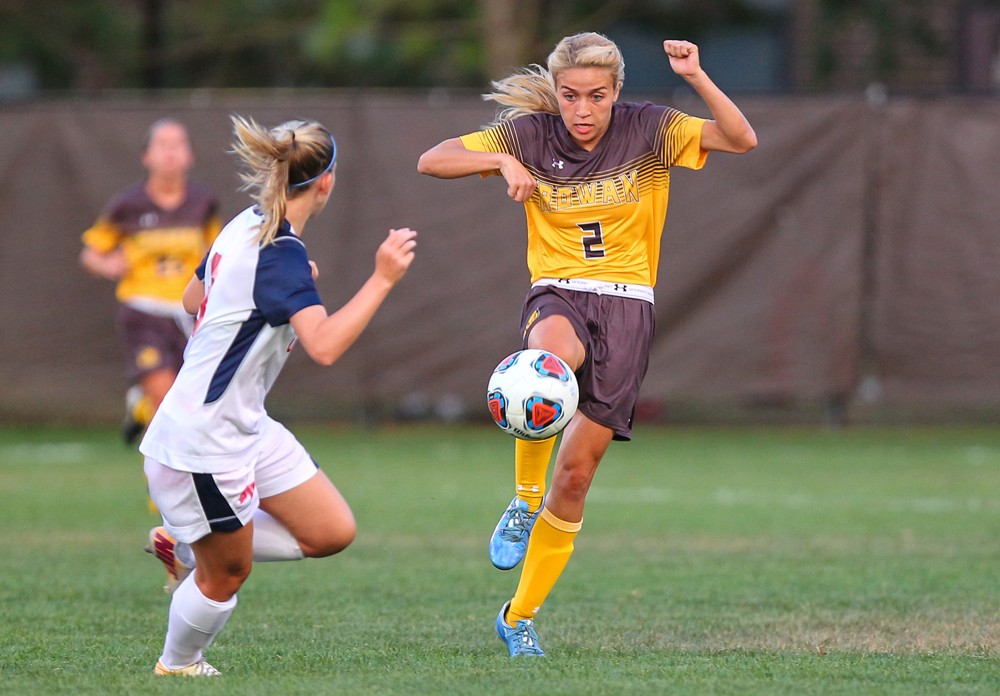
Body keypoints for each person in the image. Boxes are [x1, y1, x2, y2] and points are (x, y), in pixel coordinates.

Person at [417, 33, 756, 657]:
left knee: (574, 479)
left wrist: (698, 77)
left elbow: (740, 139)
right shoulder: (529, 134)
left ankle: (518, 616)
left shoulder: (650, 129)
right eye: (570, 95)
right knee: (541, 370)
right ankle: (521, 502)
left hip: (629, 306)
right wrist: (503, 162)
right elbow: (432, 159)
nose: (581, 110)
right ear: (557, 93)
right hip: (560, 292)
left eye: (596, 96)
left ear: (616, 93)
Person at [139, 115, 417, 676]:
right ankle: (180, 663)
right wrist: (382, 278)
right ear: (326, 183)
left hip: (244, 423)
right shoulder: (279, 252)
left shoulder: (247, 223)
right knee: (228, 573)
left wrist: (274, 294)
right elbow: (327, 346)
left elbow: (195, 299)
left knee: (330, 531)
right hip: (203, 442)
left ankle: (185, 539)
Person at [80, 119, 223, 446]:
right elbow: (90, 254)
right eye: (162, 145)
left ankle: (140, 408)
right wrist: (106, 263)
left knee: (190, 405)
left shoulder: (203, 203)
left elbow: (219, 254)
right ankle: (161, 494)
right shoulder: (128, 205)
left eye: (178, 144)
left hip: (190, 315)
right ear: (146, 157)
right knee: (167, 411)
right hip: (143, 313)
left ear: (190, 156)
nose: (171, 152)